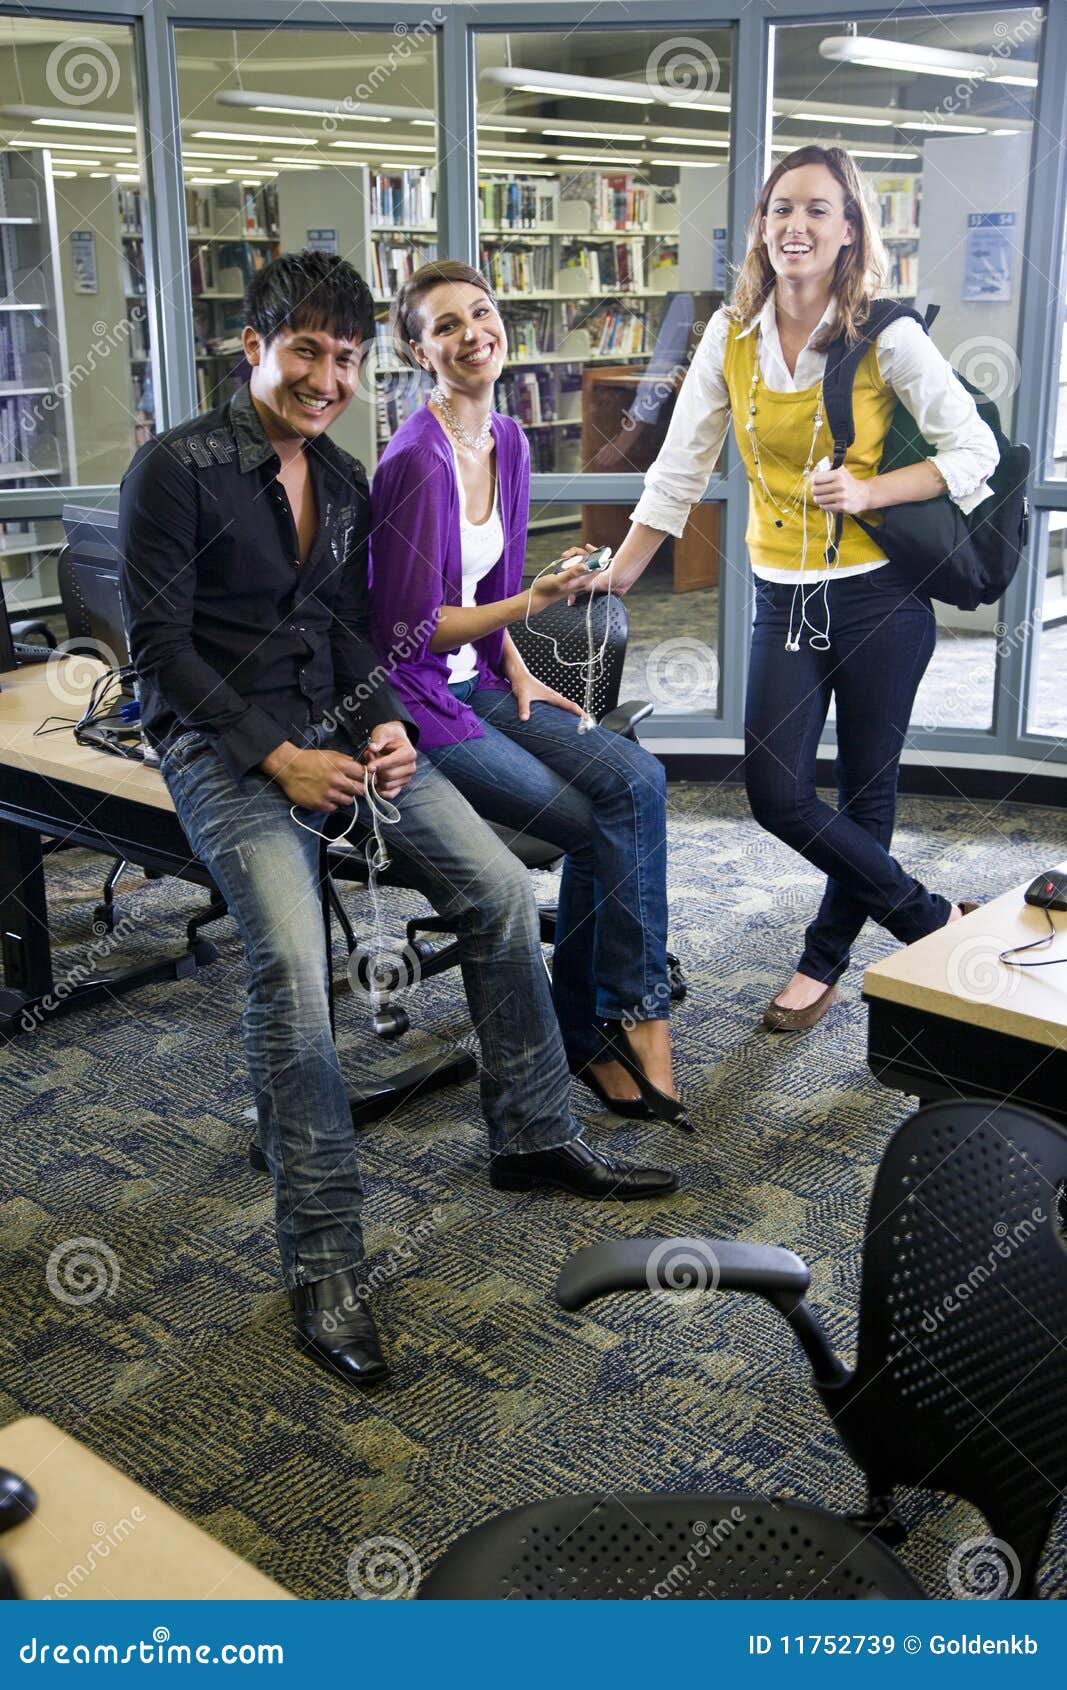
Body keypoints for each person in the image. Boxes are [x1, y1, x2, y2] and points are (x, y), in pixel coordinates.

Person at [118, 251, 678, 1396]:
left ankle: (529, 1131)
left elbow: (351, 635)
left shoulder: (344, 476)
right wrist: (278, 753)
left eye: (344, 356)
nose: (325, 376)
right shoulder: (174, 469)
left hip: (342, 732)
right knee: (289, 959)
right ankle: (325, 1266)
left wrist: (378, 723)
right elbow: (160, 654)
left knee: (496, 893)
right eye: (304, 352)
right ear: (254, 350)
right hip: (225, 749)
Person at [583, 146, 998, 1032]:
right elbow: (678, 468)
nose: (793, 226)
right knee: (775, 793)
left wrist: (872, 490)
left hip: (878, 596)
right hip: (784, 596)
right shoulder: (729, 338)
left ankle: (821, 960)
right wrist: (617, 574)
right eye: (779, 210)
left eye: (816, 210)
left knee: (865, 790)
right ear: (761, 228)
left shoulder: (885, 334)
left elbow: (976, 454)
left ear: (849, 230)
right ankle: (929, 920)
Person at [369, 260, 689, 1130]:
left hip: (485, 684)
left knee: (635, 784)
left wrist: (519, 669)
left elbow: (489, 587)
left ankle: (614, 1015)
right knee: (598, 826)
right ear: (415, 349)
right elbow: (410, 632)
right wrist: (528, 608)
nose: (473, 334)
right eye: (445, 326)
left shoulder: (507, 440)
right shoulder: (414, 461)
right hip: (423, 706)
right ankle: (612, 1022)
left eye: (482, 313)